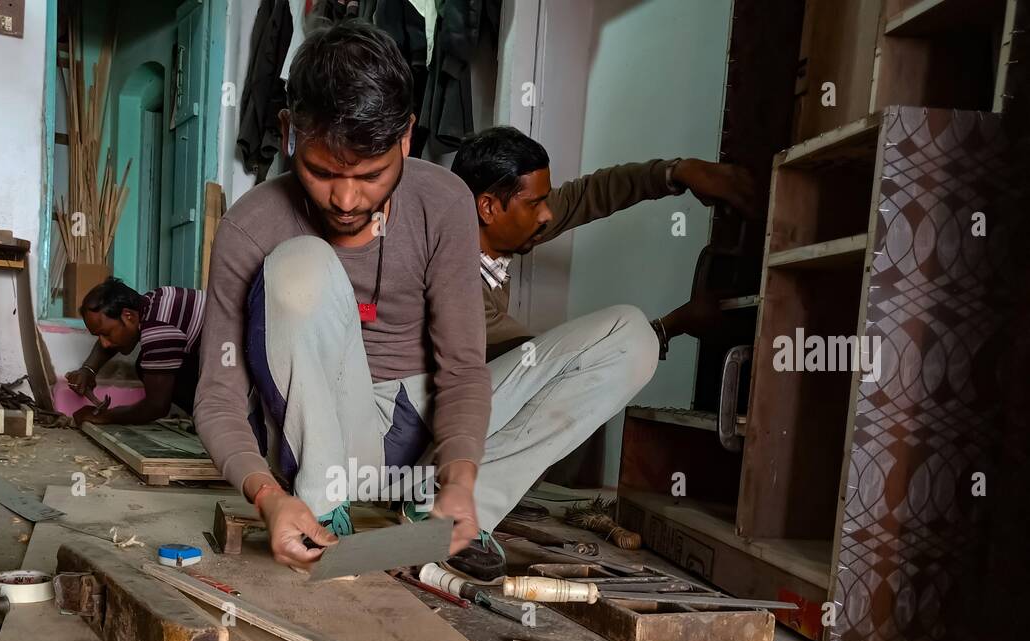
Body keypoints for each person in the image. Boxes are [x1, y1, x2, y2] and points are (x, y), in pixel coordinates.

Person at [194, 21, 664, 582]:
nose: (345, 199)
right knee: (300, 264)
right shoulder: (251, 225)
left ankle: (449, 518)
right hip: (334, 442)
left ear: (406, 139)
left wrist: (459, 478)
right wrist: (269, 497)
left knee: (631, 338)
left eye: (370, 175)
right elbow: (219, 396)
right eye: (321, 172)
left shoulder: (444, 201)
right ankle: (320, 511)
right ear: (289, 131)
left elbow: (464, 370)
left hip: (426, 432)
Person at [450, 125, 757, 361]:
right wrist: (672, 326)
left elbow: (587, 195)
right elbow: (560, 365)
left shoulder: (481, 234)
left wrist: (679, 172)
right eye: (534, 204)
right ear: (488, 207)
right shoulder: (460, 296)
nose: (547, 213)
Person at [65, 278, 205, 426]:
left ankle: (214, 421)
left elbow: (157, 406)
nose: (104, 343)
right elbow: (111, 340)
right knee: (145, 366)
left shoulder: (158, 328)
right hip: (225, 360)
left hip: (229, 366)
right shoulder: (153, 301)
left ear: (128, 316)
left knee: (147, 368)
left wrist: (105, 417)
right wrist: (88, 369)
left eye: (106, 333)